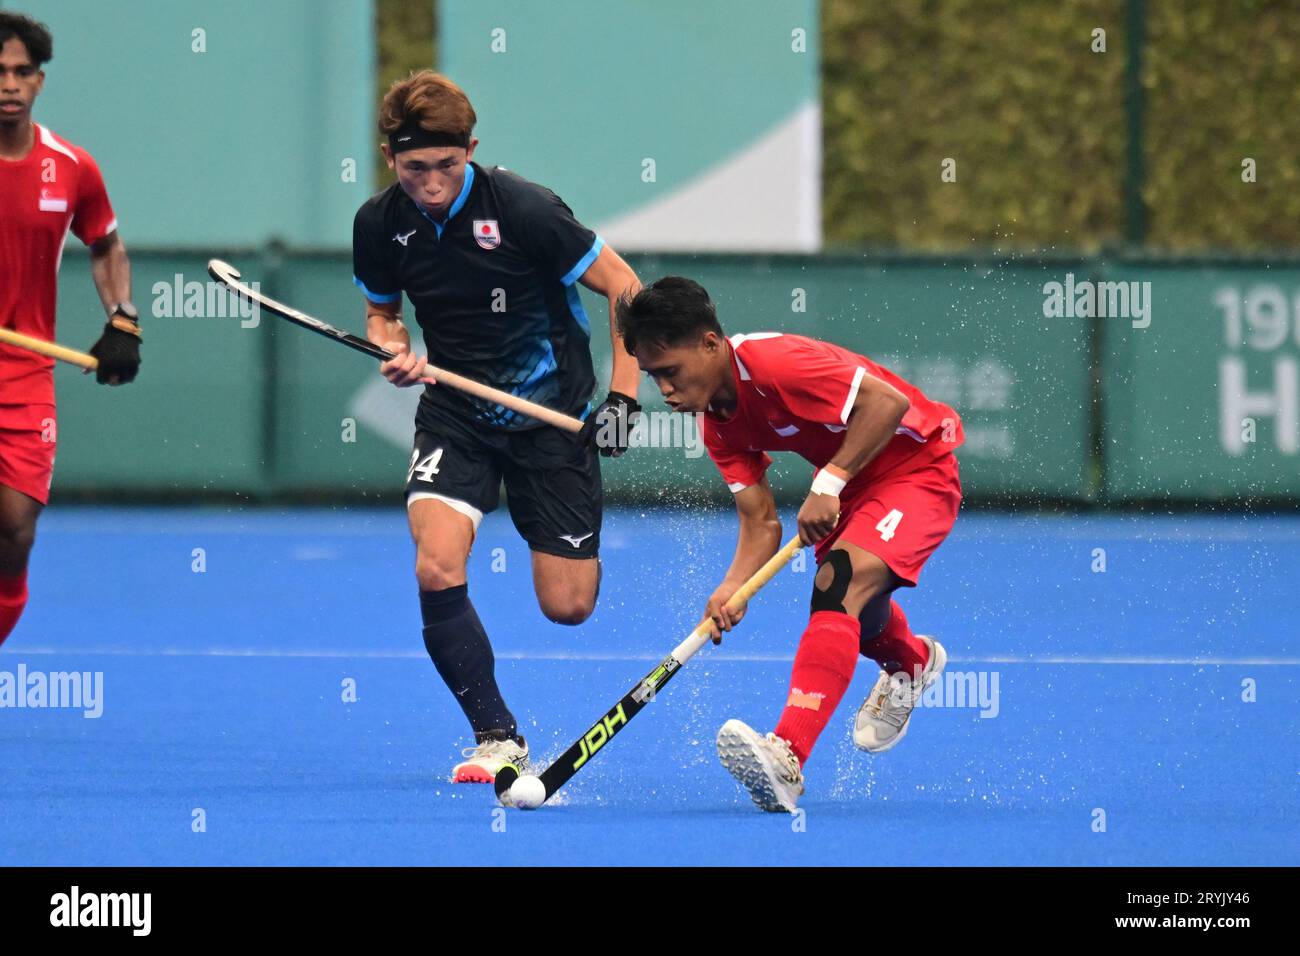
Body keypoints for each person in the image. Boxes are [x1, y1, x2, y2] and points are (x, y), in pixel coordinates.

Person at [352, 71, 642, 783]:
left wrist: (624, 399)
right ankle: (497, 736)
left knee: (567, 607)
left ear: (472, 150)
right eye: (415, 166)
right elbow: (383, 315)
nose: (432, 181)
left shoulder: (524, 208)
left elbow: (625, 287)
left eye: (448, 165)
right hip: (458, 415)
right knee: (434, 562)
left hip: (554, 420)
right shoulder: (378, 224)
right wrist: (391, 347)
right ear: (391, 155)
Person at [617, 276, 964, 812]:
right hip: (854, 489)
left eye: (670, 371)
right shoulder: (717, 427)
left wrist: (828, 481)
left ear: (711, 344)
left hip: (917, 471)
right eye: (652, 377)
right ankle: (911, 661)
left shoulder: (777, 364)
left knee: (838, 585)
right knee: (861, 618)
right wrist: (733, 588)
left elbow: (888, 402)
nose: (664, 390)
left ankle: (786, 755)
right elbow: (760, 523)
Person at [0, 11, 141, 648]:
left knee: (15, 531)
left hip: (25, 376)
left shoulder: (71, 167)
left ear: (39, 81)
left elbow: (105, 243)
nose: (9, 84)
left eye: (21, 72)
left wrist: (122, 319)